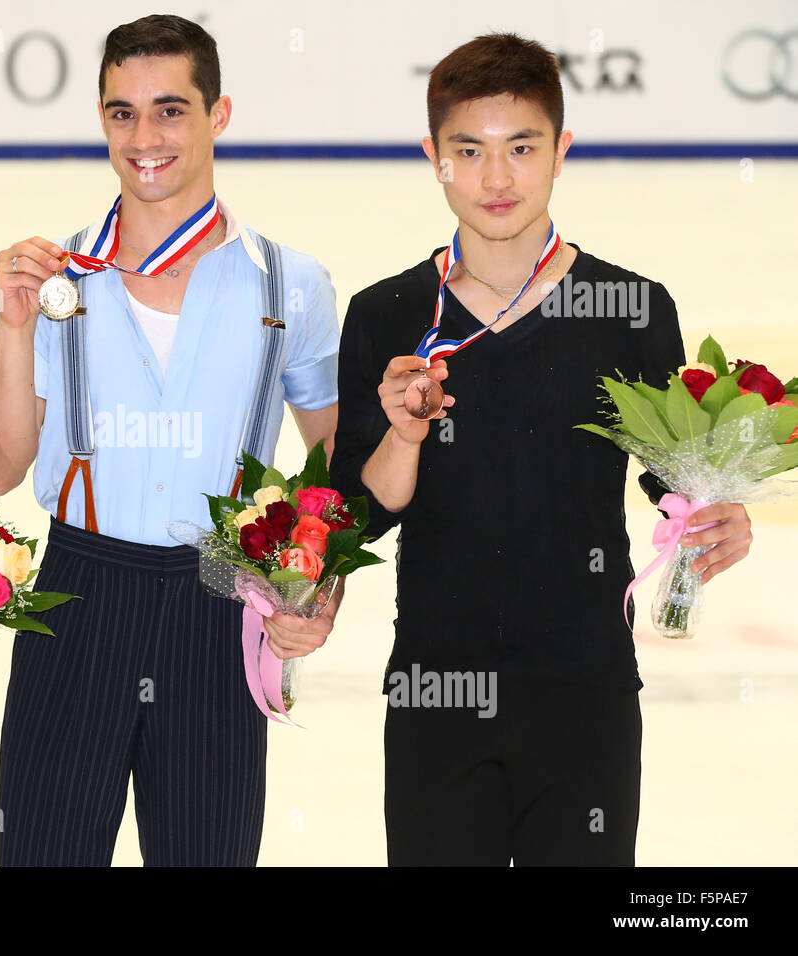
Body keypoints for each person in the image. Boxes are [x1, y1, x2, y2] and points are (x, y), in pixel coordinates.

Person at [330, 32, 754, 866]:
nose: (496, 178)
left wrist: (717, 520)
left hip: (584, 688)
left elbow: (675, 484)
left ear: (560, 151)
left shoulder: (629, 307)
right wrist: (405, 435)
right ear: (434, 157)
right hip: (435, 689)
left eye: (521, 148)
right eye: (469, 150)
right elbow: (359, 517)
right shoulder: (385, 314)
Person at [0, 14, 342, 866]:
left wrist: (319, 582)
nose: (146, 138)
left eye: (171, 110)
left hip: (221, 597)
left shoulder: (292, 283)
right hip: (77, 594)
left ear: (219, 115)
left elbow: (332, 456)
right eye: (122, 113)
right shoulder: (54, 277)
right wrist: (12, 324)